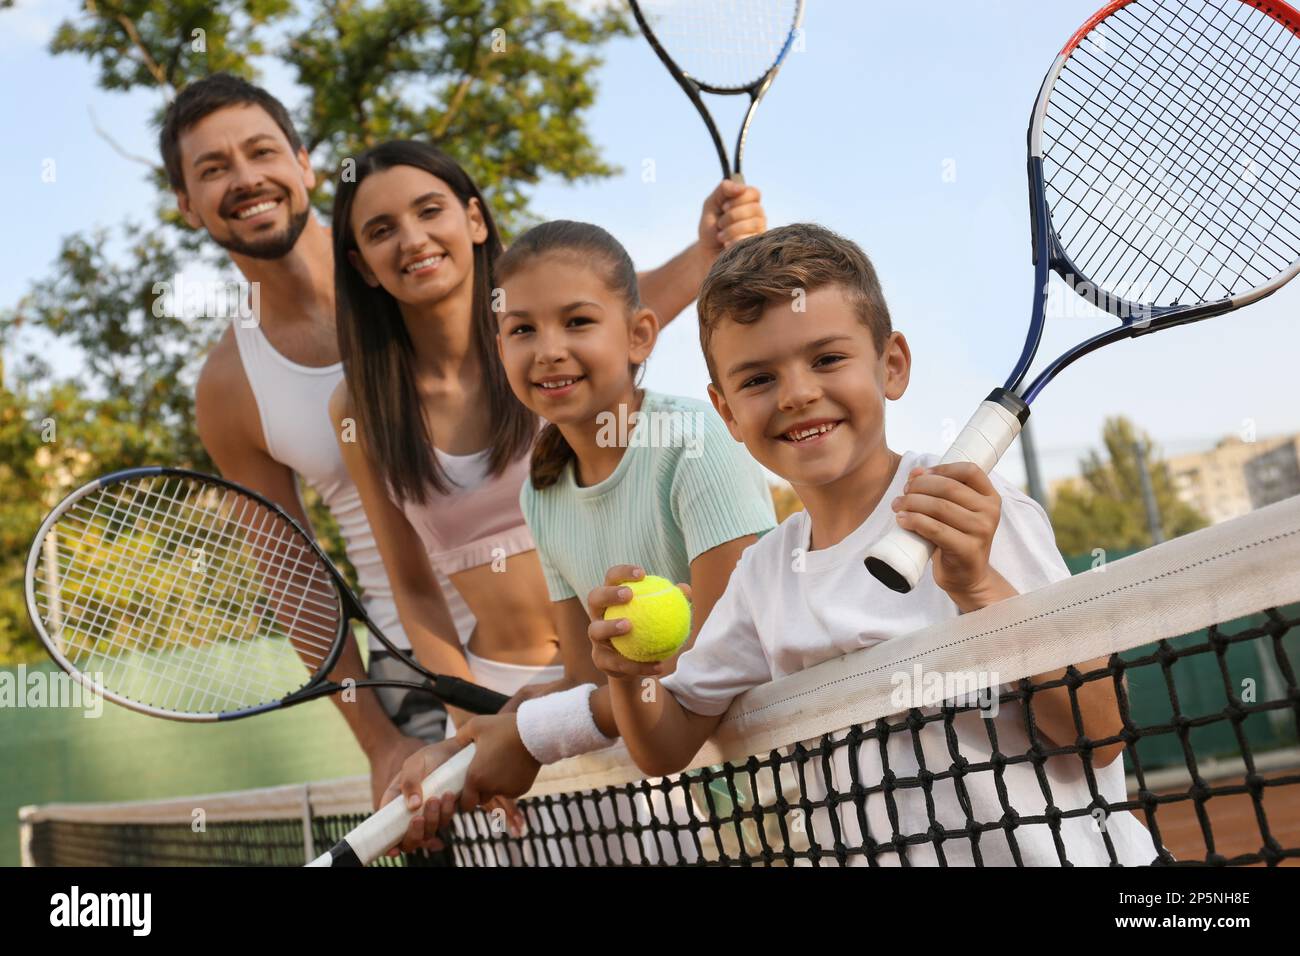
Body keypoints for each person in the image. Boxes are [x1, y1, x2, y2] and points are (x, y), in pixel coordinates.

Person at [403, 223, 1159, 866]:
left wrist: (980, 590)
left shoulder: (979, 515)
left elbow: (1100, 734)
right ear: (726, 409)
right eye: (759, 378)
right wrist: (627, 673)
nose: (797, 393)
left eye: (826, 359)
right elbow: (667, 739)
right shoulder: (766, 575)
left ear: (891, 365)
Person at [160, 72, 768, 806]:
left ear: (303, 162)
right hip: (457, 682)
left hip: (602, 671)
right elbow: (299, 580)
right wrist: (411, 737)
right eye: (213, 168)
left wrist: (708, 254)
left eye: (260, 151)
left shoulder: (536, 349)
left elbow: (606, 315)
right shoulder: (261, 391)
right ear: (185, 203)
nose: (245, 178)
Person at [377, 220, 776, 858]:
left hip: (783, 775)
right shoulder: (541, 491)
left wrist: (535, 733)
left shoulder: (695, 440)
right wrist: (476, 744)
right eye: (522, 330)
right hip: (685, 808)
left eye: (578, 321)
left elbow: (725, 654)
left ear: (639, 334)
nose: (549, 350)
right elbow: (587, 675)